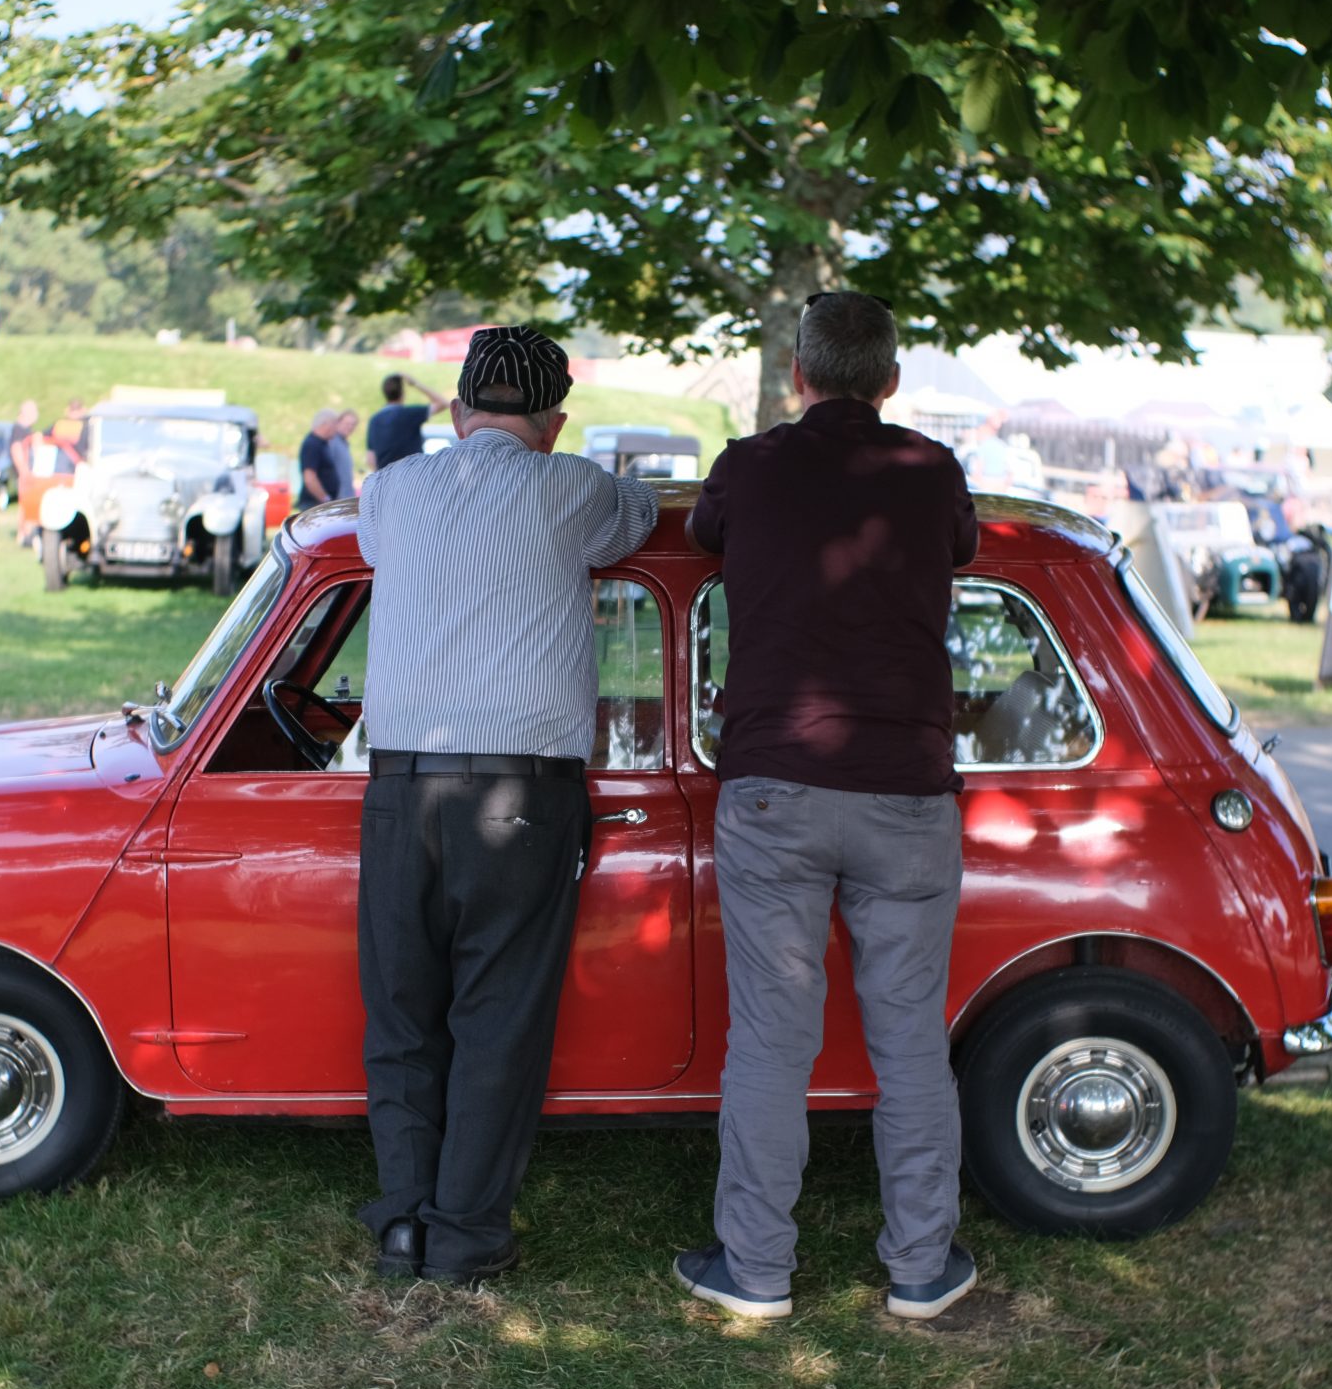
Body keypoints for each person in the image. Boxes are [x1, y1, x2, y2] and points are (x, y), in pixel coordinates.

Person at [675, 289, 983, 1325]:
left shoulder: (749, 465)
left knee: (770, 1036)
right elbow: (963, 547)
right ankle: (919, 1267)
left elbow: (707, 530)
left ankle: (756, 1268)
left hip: (774, 784)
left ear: (797, 377)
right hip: (904, 787)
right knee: (909, 1040)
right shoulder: (930, 471)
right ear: (890, 382)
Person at [352, 325, 658, 1285]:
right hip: (521, 791)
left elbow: (369, 546)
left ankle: (404, 1220)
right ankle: (467, 1233)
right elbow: (640, 518)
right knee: (497, 1015)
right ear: (555, 425)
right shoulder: (572, 489)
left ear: (455, 411)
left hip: (401, 781)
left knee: (402, 1010)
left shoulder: (394, 487)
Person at [369, 373, 450, 472]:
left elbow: (371, 459)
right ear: (402, 393)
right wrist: (416, 384)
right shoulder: (410, 414)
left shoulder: (374, 421)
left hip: (386, 479)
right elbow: (443, 403)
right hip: (413, 476)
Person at [8, 399, 42, 548]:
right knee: (26, 503)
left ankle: (25, 533)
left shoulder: (26, 429)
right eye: (34, 411)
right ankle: (23, 534)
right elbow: (16, 449)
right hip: (24, 474)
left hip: (28, 473)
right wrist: (24, 470)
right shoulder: (19, 429)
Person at [296, 410, 343, 509]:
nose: (337, 429)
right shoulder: (312, 444)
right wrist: (326, 500)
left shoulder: (322, 443)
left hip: (320, 503)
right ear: (326, 425)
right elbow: (310, 478)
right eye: (335, 425)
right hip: (314, 504)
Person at [328, 408, 363, 500]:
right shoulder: (332, 442)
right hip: (336, 498)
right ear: (338, 423)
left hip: (345, 496)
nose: (350, 427)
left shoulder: (343, 444)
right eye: (347, 423)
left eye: (353, 425)